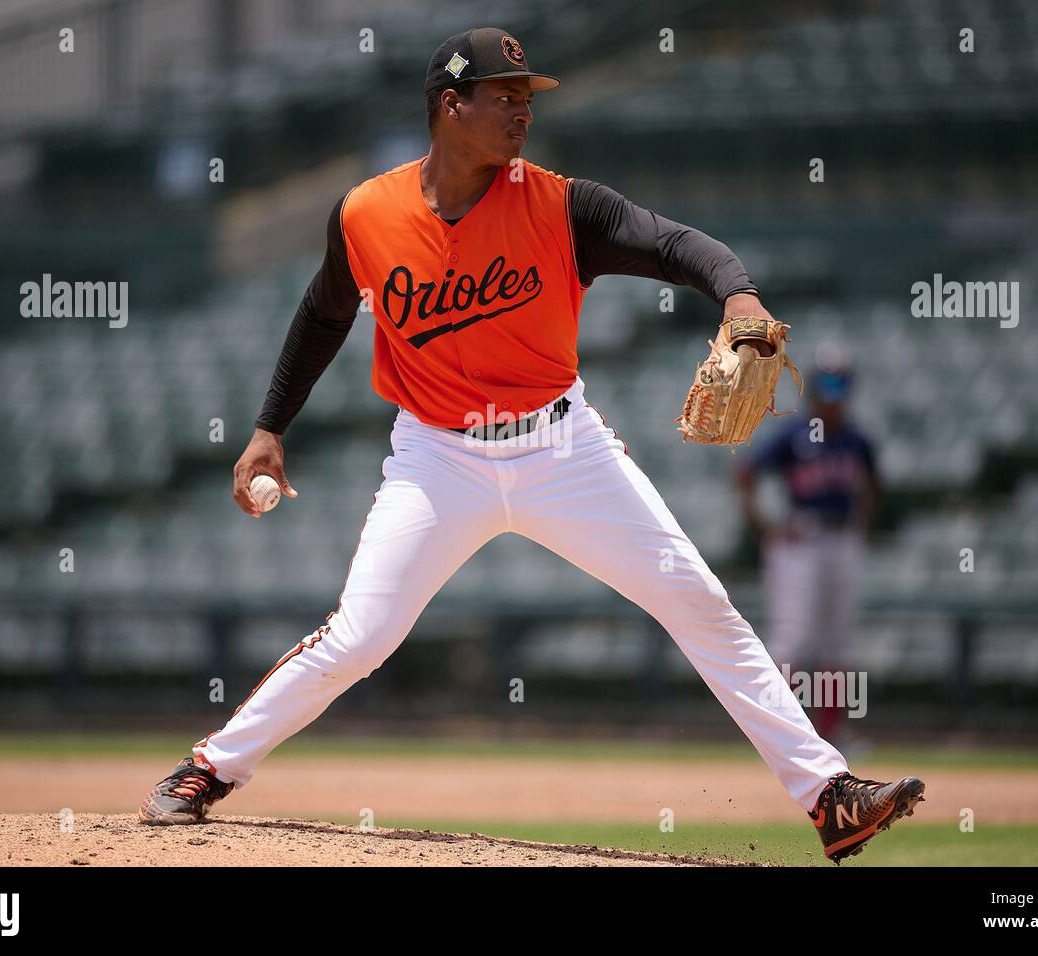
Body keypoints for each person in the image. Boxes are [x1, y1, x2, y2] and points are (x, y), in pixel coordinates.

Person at [139, 28, 922, 862]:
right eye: (504, 95)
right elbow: (326, 314)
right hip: (436, 457)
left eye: (529, 96)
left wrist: (739, 298)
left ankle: (829, 795)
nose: (523, 110)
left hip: (562, 449)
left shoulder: (561, 204)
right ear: (450, 105)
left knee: (700, 603)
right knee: (361, 637)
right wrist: (268, 429)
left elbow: (676, 244)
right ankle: (209, 767)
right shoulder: (367, 212)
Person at [737, 359, 879, 745]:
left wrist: (860, 524)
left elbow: (871, 486)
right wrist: (766, 528)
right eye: (826, 390)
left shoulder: (856, 439)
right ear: (814, 393)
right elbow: (746, 473)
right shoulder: (795, 434)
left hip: (842, 538)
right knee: (794, 637)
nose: (832, 400)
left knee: (837, 640)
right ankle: (781, 734)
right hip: (802, 539)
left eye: (839, 390)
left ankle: (832, 734)